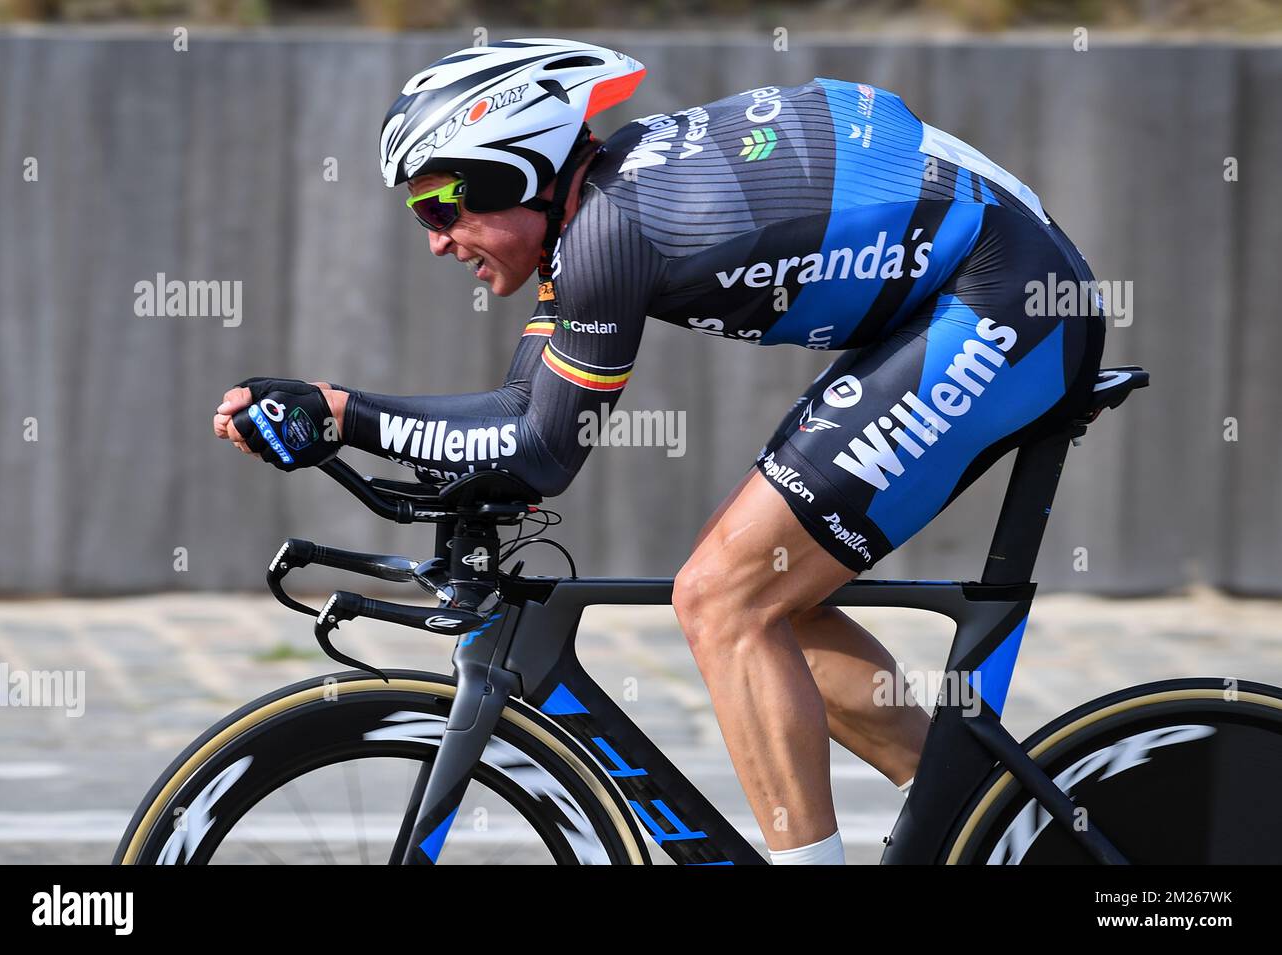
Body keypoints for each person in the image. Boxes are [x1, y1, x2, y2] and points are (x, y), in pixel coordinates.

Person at [213, 38, 1105, 865]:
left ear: (516, 168)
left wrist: (341, 412)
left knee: (724, 598)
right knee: (771, 603)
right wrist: (342, 419)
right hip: (971, 284)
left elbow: (537, 451)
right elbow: (525, 417)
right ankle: (993, 827)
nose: (437, 237)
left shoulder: (611, 229)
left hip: (1007, 300)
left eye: (442, 202)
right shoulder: (599, 213)